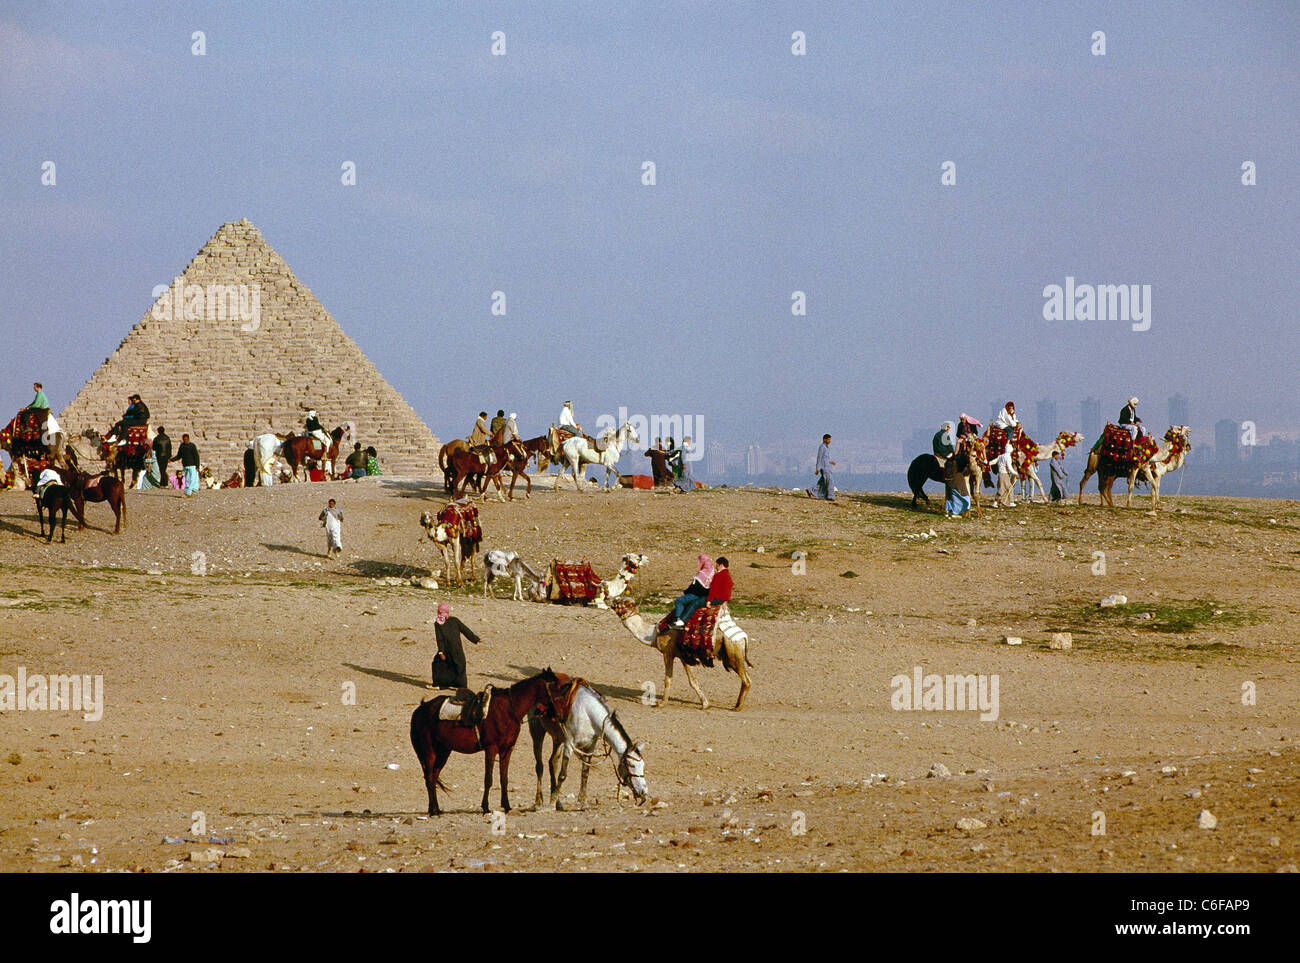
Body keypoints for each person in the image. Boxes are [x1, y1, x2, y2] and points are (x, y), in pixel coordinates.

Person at [431, 602, 482, 689]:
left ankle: (454, 685)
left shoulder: (441, 622)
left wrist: (475, 639)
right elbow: (465, 630)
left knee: (450, 665)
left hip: (449, 648)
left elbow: (440, 639)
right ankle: (450, 685)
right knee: (455, 665)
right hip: (454, 648)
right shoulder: (451, 621)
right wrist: (475, 639)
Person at [670, 555, 714, 628]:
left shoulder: (701, 574)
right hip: (704, 596)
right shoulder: (712, 573)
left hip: (696, 595)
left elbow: (694, 588)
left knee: (679, 601)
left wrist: (686, 592)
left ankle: (678, 619)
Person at [943, 451, 972, 518]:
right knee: (961, 497)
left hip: (948, 482)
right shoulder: (955, 464)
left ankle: (948, 511)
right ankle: (955, 512)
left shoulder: (946, 463)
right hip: (957, 482)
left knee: (949, 497)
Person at [810, 434, 836, 500]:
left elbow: (825, 458)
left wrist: (830, 462)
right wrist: (817, 469)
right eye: (828, 439)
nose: (829, 441)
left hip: (827, 467)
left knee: (822, 482)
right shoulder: (822, 447)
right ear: (824, 439)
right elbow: (819, 458)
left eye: (830, 439)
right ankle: (830, 496)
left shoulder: (826, 448)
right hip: (824, 468)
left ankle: (812, 491)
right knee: (830, 481)